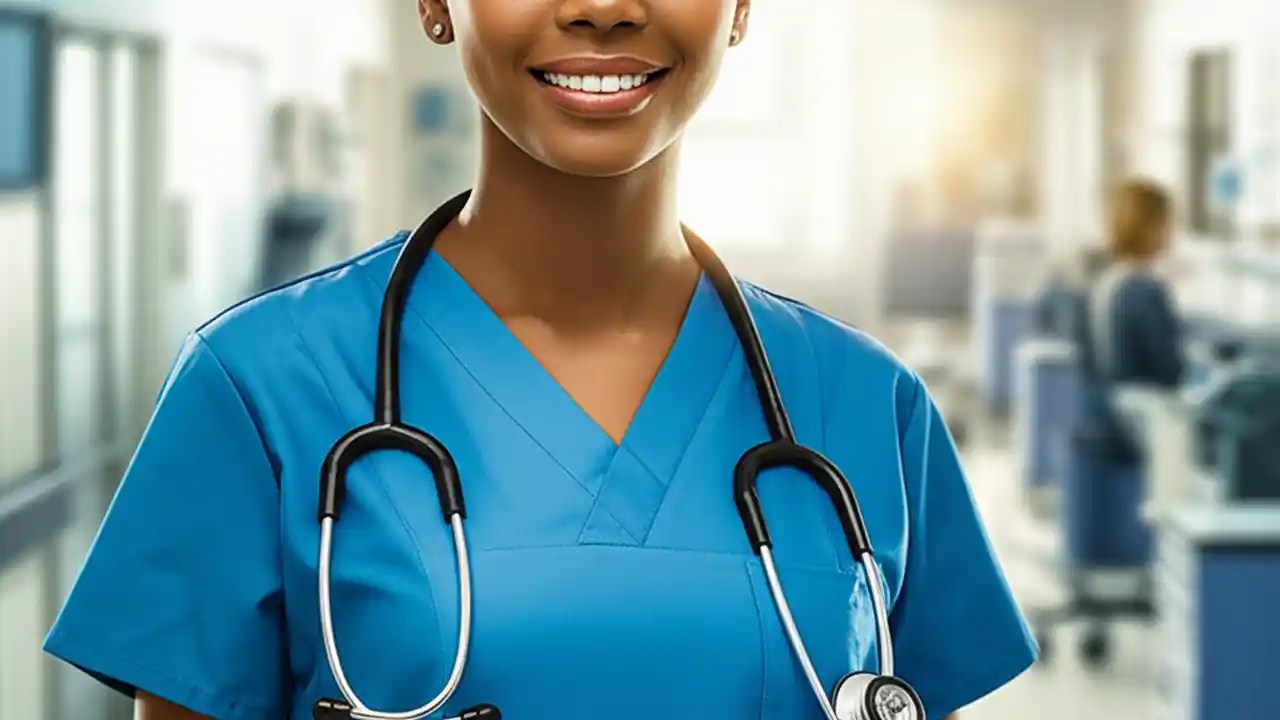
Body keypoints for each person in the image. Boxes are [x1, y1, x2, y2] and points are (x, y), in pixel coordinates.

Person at [44, 2, 1037, 719]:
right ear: (435, 4)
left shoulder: (865, 408)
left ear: (741, 9)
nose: (603, 9)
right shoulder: (261, 387)